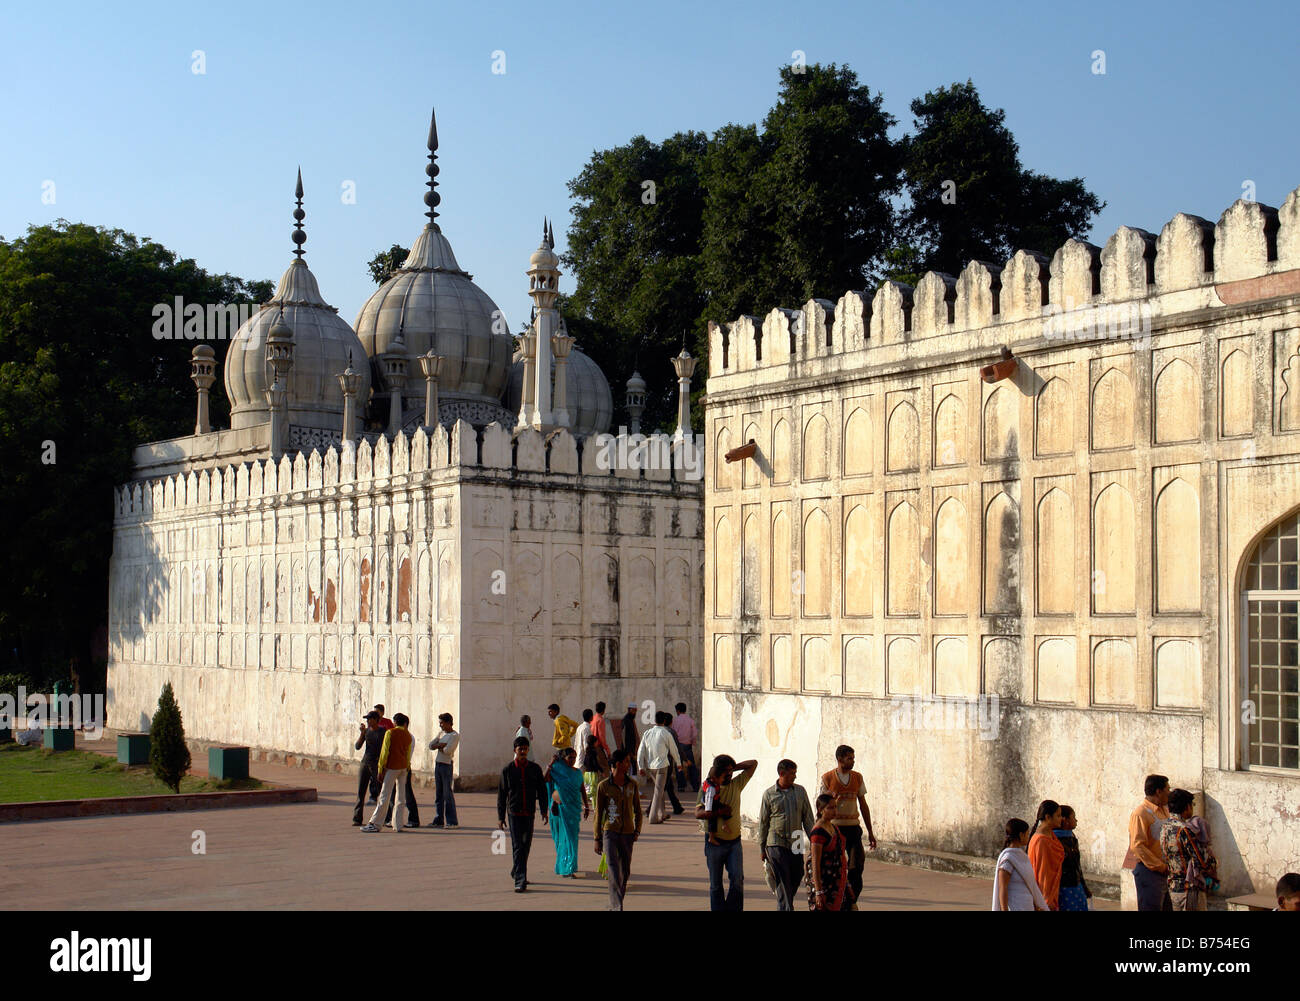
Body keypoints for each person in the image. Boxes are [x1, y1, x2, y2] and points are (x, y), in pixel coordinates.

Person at [696, 753, 757, 911]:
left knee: (737, 880)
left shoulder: (736, 784)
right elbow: (699, 813)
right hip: (714, 843)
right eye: (726, 772)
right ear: (718, 772)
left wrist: (733, 768)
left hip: (734, 842)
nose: (729, 775)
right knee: (716, 885)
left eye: (731, 772)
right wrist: (720, 812)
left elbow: (753, 763)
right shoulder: (708, 787)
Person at [818, 745, 877, 905]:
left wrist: (870, 831)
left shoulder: (857, 777)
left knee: (856, 867)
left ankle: (850, 901)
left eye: (853, 758)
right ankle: (839, 900)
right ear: (840, 759)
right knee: (835, 868)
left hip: (853, 828)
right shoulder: (827, 778)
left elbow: (863, 805)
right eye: (849, 758)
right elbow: (821, 805)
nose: (853, 761)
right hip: (835, 830)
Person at [758, 759, 815, 911]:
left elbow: (808, 819)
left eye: (795, 773)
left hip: (796, 838)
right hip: (776, 841)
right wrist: (762, 848)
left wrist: (815, 842)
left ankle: (784, 898)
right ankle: (786, 907)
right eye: (792, 774)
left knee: (797, 874)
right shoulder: (769, 794)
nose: (795, 777)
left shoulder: (800, 791)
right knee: (783, 878)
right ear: (782, 774)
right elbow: (763, 823)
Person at [497, 736, 548, 892]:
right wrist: (500, 817)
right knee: (518, 846)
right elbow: (502, 794)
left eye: (526, 749)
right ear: (515, 751)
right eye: (520, 749)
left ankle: (516, 869)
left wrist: (544, 810)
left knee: (526, 846)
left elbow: (542, 791)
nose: (523, 752)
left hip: (529, 812)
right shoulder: (508, 770)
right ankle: (520, 879)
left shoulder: (535, 769)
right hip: (514, 813)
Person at [594, 748, 642, 910]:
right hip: (610, 832)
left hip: (628, 833)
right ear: (618, 764)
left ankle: (617, 902)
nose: (629, 764)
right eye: (627, 761)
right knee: (613, 870)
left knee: (625, 872)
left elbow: (638, 810)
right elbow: (598, 813)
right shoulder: (604, 786)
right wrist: (597, 838)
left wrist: (637, 830)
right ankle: (617, 906)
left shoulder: (632, 785)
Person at [1159, 788, 1216, 911]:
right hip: (1188, 889)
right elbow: (1202, 860)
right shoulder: (1185, 830)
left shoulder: (1164, 827)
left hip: (1172, 888)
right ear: (1186, 807)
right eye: (1192, 805)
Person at [360, 713, 414, 833]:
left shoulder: (390, 733)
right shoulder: (408, 735)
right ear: (405, 723)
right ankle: (398, 824)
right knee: (400, 797)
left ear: (395, 722)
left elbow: (384, 753)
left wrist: (380, 769)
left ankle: (375, 823)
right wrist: (407, 767)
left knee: (385, 795)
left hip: (392, 767)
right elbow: (408, 753)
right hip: (403, 767)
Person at [1125, 774, 1172, 911]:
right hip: (1150, 871)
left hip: (1164, 872)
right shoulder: (1141, 813)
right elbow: (1137, 845)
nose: (1169, 793)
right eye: (1167, 790)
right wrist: (1160, 866)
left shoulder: (1164, 810)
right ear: (1158, 791)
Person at [545, 747, 589, 878]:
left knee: (573, 838)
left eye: (574, 757)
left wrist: (586, 806)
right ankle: (567, 868)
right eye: (570, 757)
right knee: (565, 838)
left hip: (574, 809)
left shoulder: (577, 773)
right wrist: (551, 763)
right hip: (562, 810)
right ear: (564, 759)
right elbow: (544, 779)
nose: (573, 760)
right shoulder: (557, 771)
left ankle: (570, 865)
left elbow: (582, 789)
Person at [807, 793, 852, 911]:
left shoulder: (833, 827)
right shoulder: (818, 832)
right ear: (821, 810)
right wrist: (818, 891)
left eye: (835, 807)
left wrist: (846, 883)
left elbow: (841, 857)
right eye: (830, 808)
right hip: (823, 882)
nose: (834, 811)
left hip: (836, 882)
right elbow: (815, 864)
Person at [636, 710, 682, 823]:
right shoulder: (666, 733)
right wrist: (679, 763)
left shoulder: (647, 733)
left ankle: (663, 813)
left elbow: (640, 751)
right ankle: (653, 817)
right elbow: (674, 750)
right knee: (658, 791)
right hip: (662, 766)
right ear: (664, 720)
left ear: (654, 720)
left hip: (650, 767)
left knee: (659, 790)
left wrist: (641, 766)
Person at [993, 819, 1049, 911]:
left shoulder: (1022, 856)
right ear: (1021, 835)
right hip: (1015, 906)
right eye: (1027, 834)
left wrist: (1035, 906)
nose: (1028, 836)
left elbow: (1029, 885)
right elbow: (1003, 887)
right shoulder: (1008, 858)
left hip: (1027, 906)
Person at [581, 733, 611, 880]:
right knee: (594, 796)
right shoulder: (593, 752)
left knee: (591, 794)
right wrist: (601, 770)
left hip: (587, 774)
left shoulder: (587, 751)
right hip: (592, 775)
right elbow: (596, 763)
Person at [1028, 800, 1064, 910]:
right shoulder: (1041, 841)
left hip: (1054, 891)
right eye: (1058, 816)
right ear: (1048, 817)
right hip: (1045, 895)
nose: (1061, 818)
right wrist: (1045, 901)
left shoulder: (1051, 835)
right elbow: (1042, 873)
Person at [1055, 805, 1092, 911]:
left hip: (1076, 887)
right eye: (1073, 817)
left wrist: (1084, 886)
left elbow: (1077, 866)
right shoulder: (1054, 841)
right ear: (1065, 820)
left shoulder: (1071, 838)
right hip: (1063, 889)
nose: (1076, 820)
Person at [352, 711, 386, 825]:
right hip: (365, 763)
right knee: (361, 792)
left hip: (377, 764)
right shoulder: (366, 732)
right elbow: (357, 746)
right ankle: (357, 818)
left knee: (382, 792)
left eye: (370, 719)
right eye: (367, 719)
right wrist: (362, 734)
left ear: (377, 720)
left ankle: (385, 817)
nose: (368, 721)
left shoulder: (383, 732)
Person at [427, 712, 459, 828]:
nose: (440, 725)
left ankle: (452, 821)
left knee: (447, 793)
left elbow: (448, 750)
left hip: (446, 765)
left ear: (448, 723)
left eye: (442, 723)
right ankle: (439, 818)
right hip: (438, 764)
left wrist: (439, 746)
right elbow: (431, 745)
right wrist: (441, 745)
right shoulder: (441, 733)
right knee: (438, 794)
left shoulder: (454, 735)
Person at [672, 702, 699, 792]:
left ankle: (681, 786)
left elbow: (673, 733)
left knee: (679, 766)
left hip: (678, 746)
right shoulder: (690, 720)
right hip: (687, 746)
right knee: (691, 766)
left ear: (678, 710)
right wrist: (692, 742)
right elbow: (694, 733)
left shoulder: (675, 720)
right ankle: (695, 786)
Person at [621, 703, 639, 776]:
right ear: (629, 710)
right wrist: (628, 752)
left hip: (631, 750)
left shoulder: (631, 720)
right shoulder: (626, 720)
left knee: (633, 767)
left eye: (636, 710)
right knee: (629, 767)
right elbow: (624, 736)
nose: (635, 712)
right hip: (627, 750)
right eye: (633, 710)